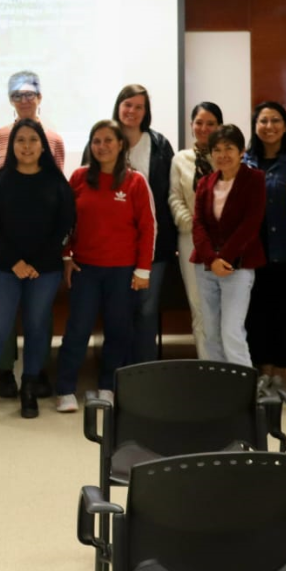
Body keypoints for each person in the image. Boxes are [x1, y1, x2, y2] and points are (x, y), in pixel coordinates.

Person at [0, 120, 75, 424]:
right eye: (20, 140)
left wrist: (37, 261)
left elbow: (66, 226)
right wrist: (15, 262)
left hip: (44, 270)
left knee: (37, 330)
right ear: (11, 146)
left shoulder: (57, 182)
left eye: (32, 140)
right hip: (3, 267)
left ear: (42, 145)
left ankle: (29, 389)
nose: (26, 146)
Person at [54, 120, 155, 412]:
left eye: (108, 140)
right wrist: (66, 257)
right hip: (86, 269)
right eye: (96, 141)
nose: (102, 146)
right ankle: (65, 389)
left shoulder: (136, 181)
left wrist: (143, 270)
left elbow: (148, 228)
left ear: (121, 144)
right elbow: (66, 222)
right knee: (77, 329)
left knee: (118, 331)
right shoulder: (79, 177)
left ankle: (107, 387)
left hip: (123, 272)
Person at [0, 70, 66, 398]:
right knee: (1, 319)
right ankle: (5, 372)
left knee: (39, 317)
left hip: (42, 248)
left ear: (40, 98)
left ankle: (37, 371)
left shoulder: (55, 139)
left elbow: (57, 189)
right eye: (18, 95)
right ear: (10, 100)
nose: (24, 100)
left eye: (30, 94)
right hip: (6, 245)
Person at [191, 125, 266, 371]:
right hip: (206, 266)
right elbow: (198, 223)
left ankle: (246, 387)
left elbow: (250, 224)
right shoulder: (205, 182)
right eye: (217, 150)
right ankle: (219, 384)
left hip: (239, 265)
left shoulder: (255, 179)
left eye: (229, 149)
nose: (223, 155)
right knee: (211, 331)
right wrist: (212, 259)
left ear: (242, 151)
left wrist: (224, 258)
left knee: (232, 330)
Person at [243, 101, 286, 387]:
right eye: (263, 121)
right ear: (255, 127)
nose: (269, 127)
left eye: (275, 121)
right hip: (254, 249)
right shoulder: (245, 161)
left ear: (285, 126)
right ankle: (263, 368)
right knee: (257, 311)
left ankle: (280, 371)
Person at [112, 84, 176, 364]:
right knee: (119, 309)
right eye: (128, 105)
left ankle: (145, 370)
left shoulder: (160, 145)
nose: (132, 111)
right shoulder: (104, 139)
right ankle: (119, 370)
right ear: (118, 106)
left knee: (147, 310)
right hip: (113, 245)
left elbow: (170, 194)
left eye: (139, 107)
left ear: (146, 112)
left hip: (154, 245)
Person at [169, 101, 222, 358]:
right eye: (199, 123)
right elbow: (175, 198)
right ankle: (207, 364)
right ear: (191, 125)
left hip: (224, 241)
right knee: (199, 307)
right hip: (190, 239)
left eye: (210, 123)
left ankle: (229, 364)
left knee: (226, 307)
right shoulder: (181, 159)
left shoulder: (226, 155)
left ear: (219, 126)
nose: (204, 128)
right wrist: (194, 225)